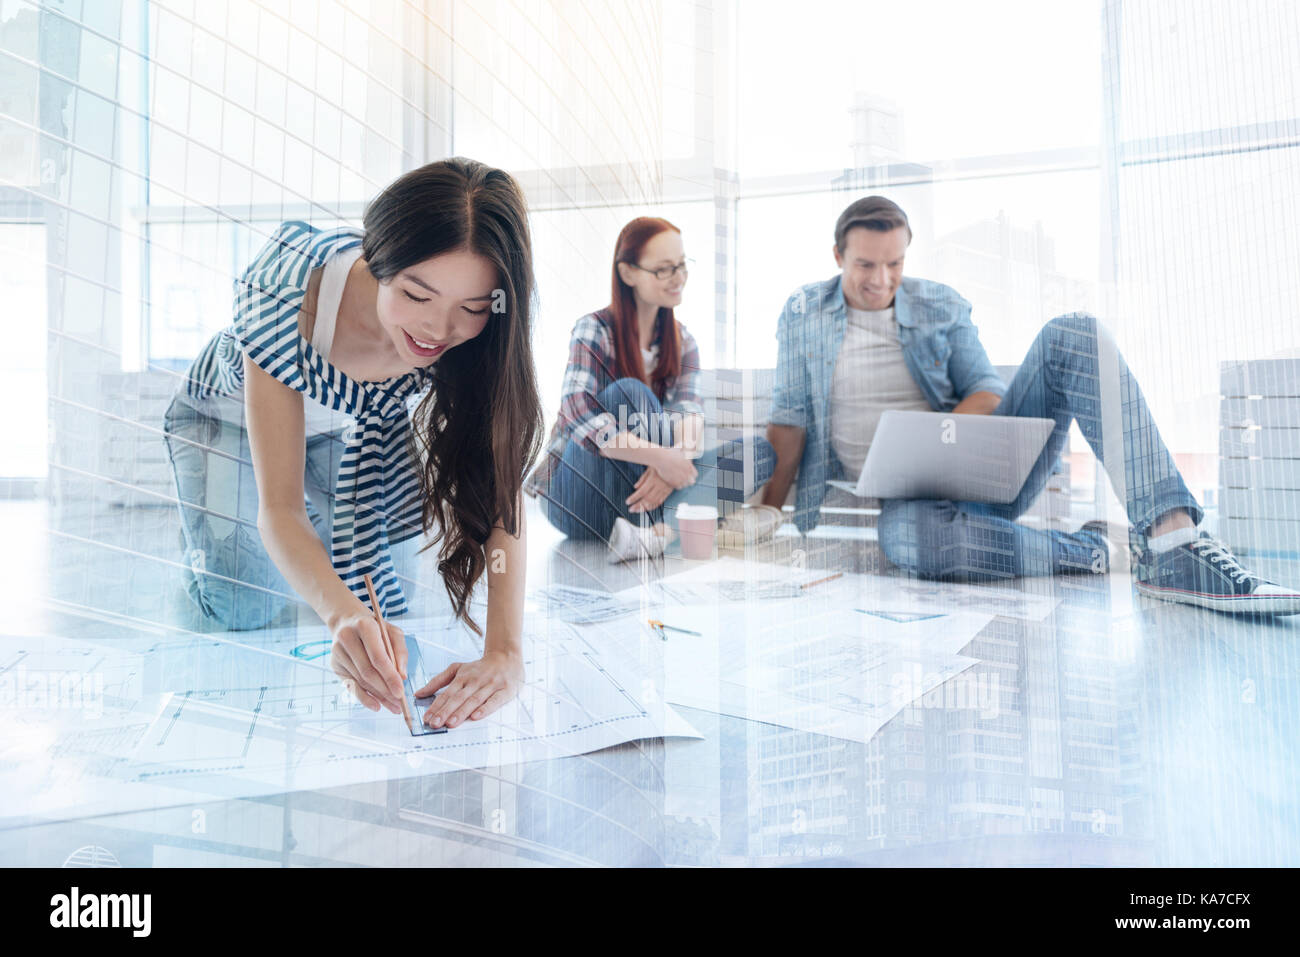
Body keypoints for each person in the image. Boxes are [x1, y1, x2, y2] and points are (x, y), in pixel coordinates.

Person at [758, 195, 1300, 614]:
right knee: (914, 542)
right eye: (865, 266)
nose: (882, 280)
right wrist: (770, 511)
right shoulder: (803, 312)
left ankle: (1173, 540)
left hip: (977, 469)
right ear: (837, 256)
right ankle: (1093, 550)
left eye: (895, 263)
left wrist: (928, 437)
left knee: (1074, 332)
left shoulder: (939, 303)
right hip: (908, 506)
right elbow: (789, 417)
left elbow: (987, 393)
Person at [163, 157, 545, 725]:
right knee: (245, 605)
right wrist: (339, 615)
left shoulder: (488, 332)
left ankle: (309, 545)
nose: (437, 332)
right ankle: (207, 554)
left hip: (349, 430)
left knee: (391, 607)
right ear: (378, 259)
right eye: (416, 296)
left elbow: (500, 493)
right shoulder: (285, 290)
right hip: (229, 421)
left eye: (469, 309)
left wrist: (505, 653)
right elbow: (282, 508)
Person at [527, 216, 782, 561]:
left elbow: (690, 413)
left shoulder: (683, 340)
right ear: (628, 273)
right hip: (579, 502)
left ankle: (655, 534)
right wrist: (661, 458)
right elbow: (578, 413)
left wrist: (673, 463)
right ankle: (684, 523)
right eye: (663, 269)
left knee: (758, 452)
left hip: (645, 502)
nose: (678, 278)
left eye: (681, 266)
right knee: (629, 394)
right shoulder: (594, 329)